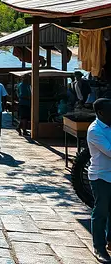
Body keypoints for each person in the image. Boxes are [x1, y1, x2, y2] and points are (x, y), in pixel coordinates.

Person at [87, 98, 111, 262]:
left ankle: (110, 240)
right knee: (101, 212)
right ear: (101, 112)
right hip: (101, 176)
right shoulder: (95, 130)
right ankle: (99, 247)